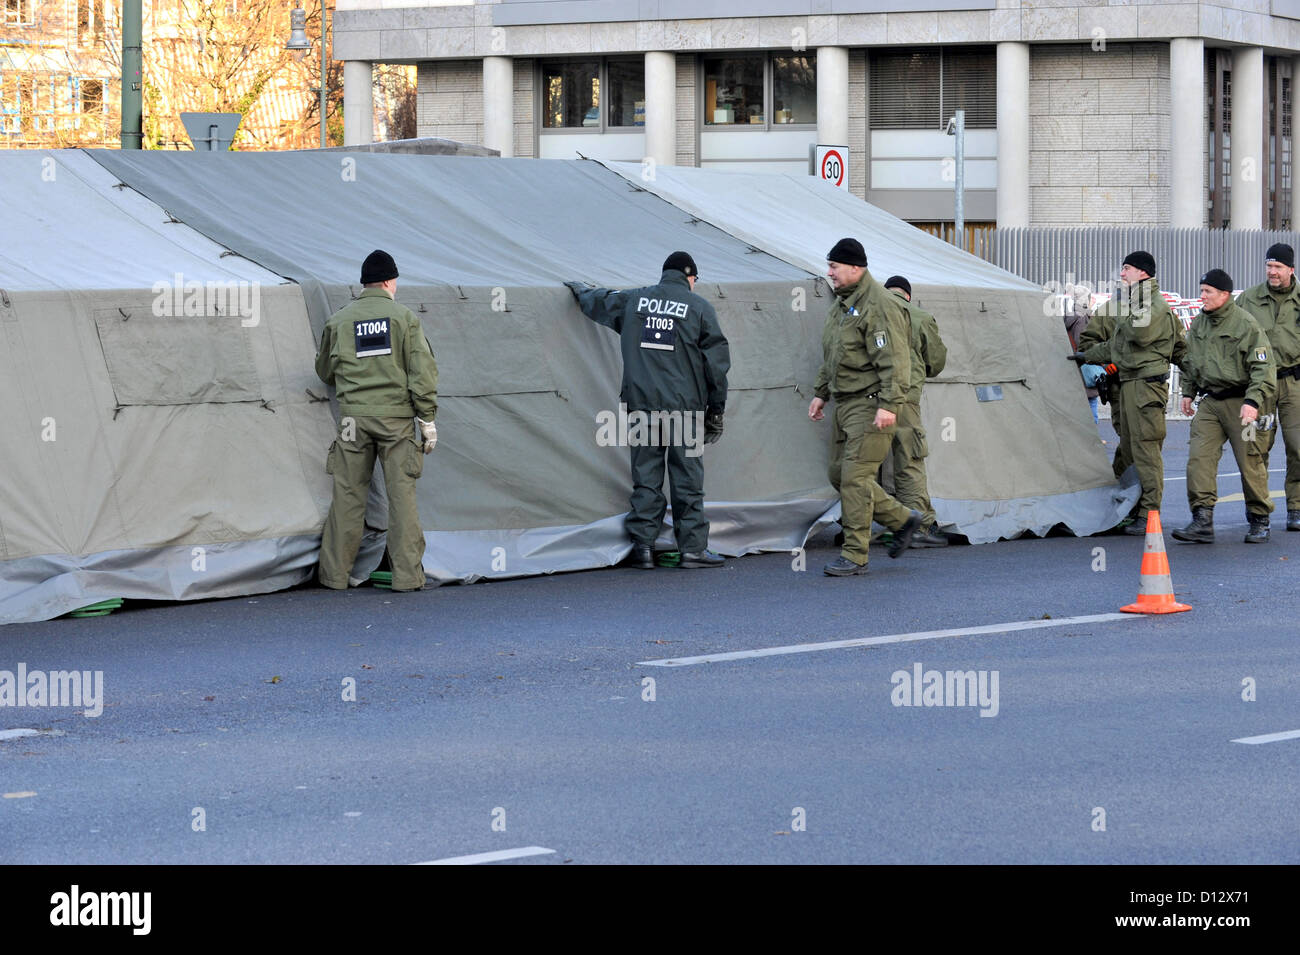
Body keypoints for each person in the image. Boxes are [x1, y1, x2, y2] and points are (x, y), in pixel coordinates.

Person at [566, 251, 730, 569]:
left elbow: (600, 301)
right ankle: (693, 550)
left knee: (646, 477)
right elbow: (717, 366)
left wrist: (580, 290)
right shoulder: (699, 309)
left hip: (641, 405)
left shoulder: (635, 301)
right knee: (687, 479)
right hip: (685, 409)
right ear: (691, 277)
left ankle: (643, 546)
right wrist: (716, 410)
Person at [315, 250, 439, 591]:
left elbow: (325, 371)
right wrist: (427, 420)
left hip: (353, 421)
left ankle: (334, 576)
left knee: (347, 496)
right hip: (396, 422)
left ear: (364, 283)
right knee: (402, 498)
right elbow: (422, 374)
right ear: (388, 281)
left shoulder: (339, 320)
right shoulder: (404, 319)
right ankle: (406, 577)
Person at [809, 239, 922, 577]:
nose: (829, 272)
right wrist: (820, 393)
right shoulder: (842, 305)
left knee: (856, 478)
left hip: (871, 404)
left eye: (834, 267)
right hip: (844, 403)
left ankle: (855, 554)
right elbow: (833, 355)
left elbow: (895, 362)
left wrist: (889, 405)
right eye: (829, 266)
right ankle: (902, 519)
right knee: (838, 474)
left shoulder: (880, 305)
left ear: (855, 268)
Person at [1071, 251, 1185, 534]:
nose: (1121, 274)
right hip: (1125, 385)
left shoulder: (1152, 306)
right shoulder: (1124, 305)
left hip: (1145, 385)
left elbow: (1143, 338)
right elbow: (1107, 344)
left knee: (1145, 450)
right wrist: (1090, 357)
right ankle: (1129, 507)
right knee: (1130, 449)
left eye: (1127, 269)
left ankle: (1149, 514)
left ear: (1143, 273)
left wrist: (1193, 388)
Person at [1172, 269, 1276, 544]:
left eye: (1208, 291)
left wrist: (1253, 402)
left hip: (1243, 403)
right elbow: (1191, 359)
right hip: (1211, 403)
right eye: (1202, 290)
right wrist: (1188, 392)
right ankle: (1202, 520)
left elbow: (1263, 367)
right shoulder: (1200, 324)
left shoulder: (1245, 324)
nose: (1202, 296)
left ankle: (1259, 518)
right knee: (1199, 459)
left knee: (1250, 461)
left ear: (1224, 295)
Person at [1237, 243, 1300, 531]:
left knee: (1298, 448)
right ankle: (1257, 512)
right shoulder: (1249, 299)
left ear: (1291, 270)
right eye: (1269, 266)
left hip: (1294, 384)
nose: (1272, 272)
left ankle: (1296, 508)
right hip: (1259, 387)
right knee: (1254, 447)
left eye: (1278, 267)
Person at [882, 275, 949, 547]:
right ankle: (918, 527)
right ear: (908, 295)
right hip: (905, 398)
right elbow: (936, 361)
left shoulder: (867, 312)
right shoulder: (920, 316)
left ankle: (862, 525)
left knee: (864, 463)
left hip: (865, 399)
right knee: (909, 459)